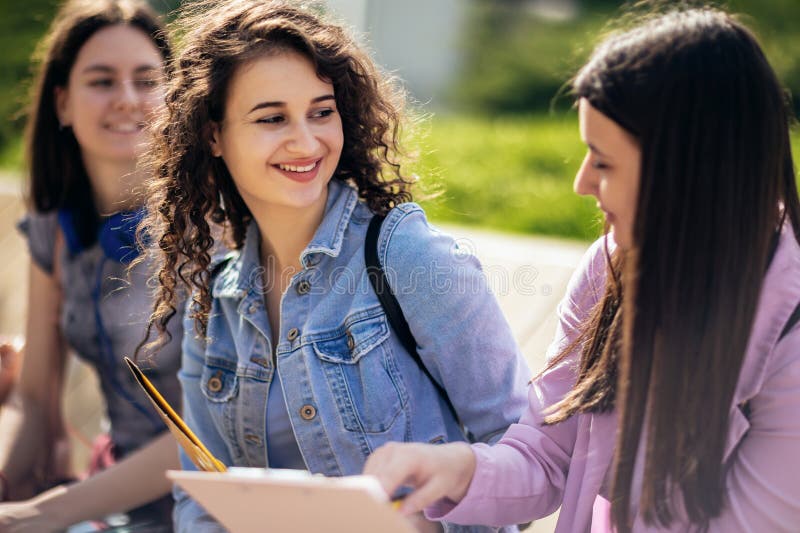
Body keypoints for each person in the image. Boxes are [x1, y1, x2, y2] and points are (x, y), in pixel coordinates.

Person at [364, 6, 800, 532]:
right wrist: (455, 469)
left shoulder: (789, 338)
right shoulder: (610, 268)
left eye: (604, 161)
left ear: (688, 170)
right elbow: (548, 454)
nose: (581, 183)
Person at [138, 0, 531, 531]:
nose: (306, 141)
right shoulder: (213, 307)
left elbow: (523, 464)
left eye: (321, 111)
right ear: (213, 136)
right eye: (272, 118)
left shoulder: (409, 259)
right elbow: (202, 500)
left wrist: (422, 525)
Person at [0, 1, 183, 531]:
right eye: (102, 81)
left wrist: (42, 513)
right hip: (111, 499)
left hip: (208, 504)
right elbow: (34, 400)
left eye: (147, 81)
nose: (127, 99)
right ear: (62, 103)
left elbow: (217, 428)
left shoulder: (216, 229)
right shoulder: (54, 232)